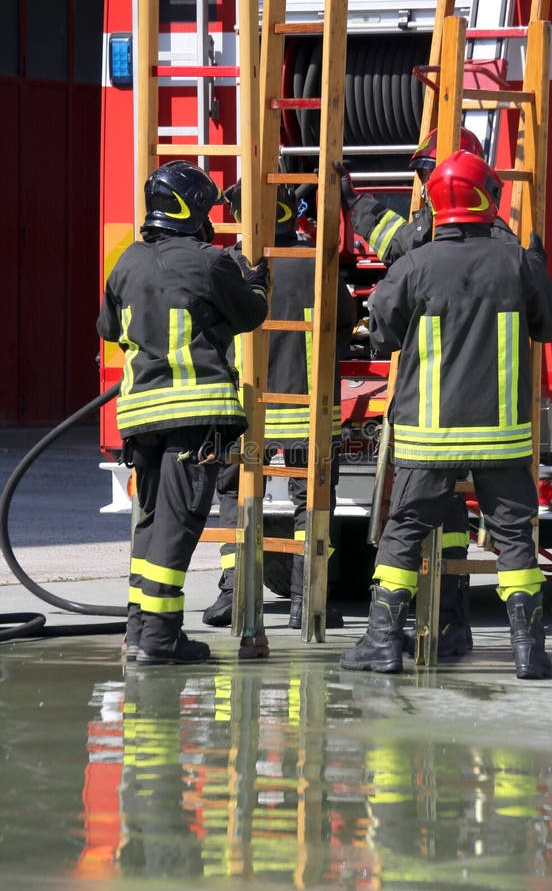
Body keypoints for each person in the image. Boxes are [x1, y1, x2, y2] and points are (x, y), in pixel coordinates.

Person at [339, 149, 552, 679]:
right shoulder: (515, 260)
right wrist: (538, 265)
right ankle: (529, 652)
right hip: (502, 437)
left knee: (403, 532)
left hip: (429, 436)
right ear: (487, 197)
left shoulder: (415, 265)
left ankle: (382, 643)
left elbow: (382, 335)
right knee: (514, 538)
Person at [334, 127, 507, 659]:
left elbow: (400, 248)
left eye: (429, 172)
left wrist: (354, 203)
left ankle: (385, 638)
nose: (426, 183)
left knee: (404, 524)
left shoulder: (447, 234)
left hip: (430, 409)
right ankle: (452, 627)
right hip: (482, 410)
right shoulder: (501, 241)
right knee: (452, 522)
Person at [96, 160, 270, 665]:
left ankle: (139, 632)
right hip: (193, 417)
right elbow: (251, 314)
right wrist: (255, 282)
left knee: (150, 523)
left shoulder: (126, 260)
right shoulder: (211, 261)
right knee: (177, 525)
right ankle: (160, 638)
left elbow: (108, 328)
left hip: (139, 418)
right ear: (193, 210)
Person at [202, 181, 357, 630]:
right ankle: (307, 599)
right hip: (308, 412)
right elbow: (343, 327)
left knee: (236, 494)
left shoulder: (228, 266)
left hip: (244, 413)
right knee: (311, 502)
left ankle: (234, 591)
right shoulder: (317, 263)